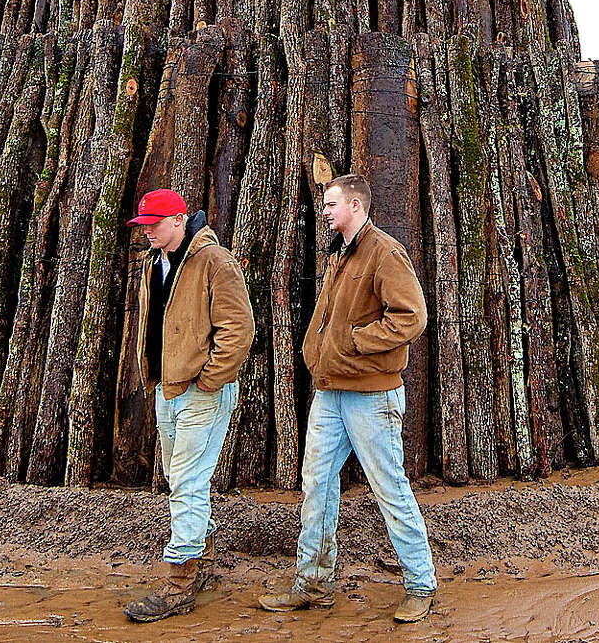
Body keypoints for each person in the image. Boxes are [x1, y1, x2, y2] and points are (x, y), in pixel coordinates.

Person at [259, 173, 437, 624]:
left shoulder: (385, 253)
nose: (324, 211)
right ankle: (313, 584)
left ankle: (421, 584)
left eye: (331, 204)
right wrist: (320, 352)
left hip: (371, 394)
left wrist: (358, 342)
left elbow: (412, 316)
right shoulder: (341, 252)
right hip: (331, 391)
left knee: (389, 487)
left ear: (356, 205)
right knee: (316, 483)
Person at [121, 187, 255, 623]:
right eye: (143, 225)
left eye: (155, 224)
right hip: (169, 386)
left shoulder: (215, 261)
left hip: (201, 390)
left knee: (186, 481)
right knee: (181, 477)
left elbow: (239, 329)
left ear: (179, 219)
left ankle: (180, 580)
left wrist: (209, 379)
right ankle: (204, 560)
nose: (148, 232)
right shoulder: (154, 262)